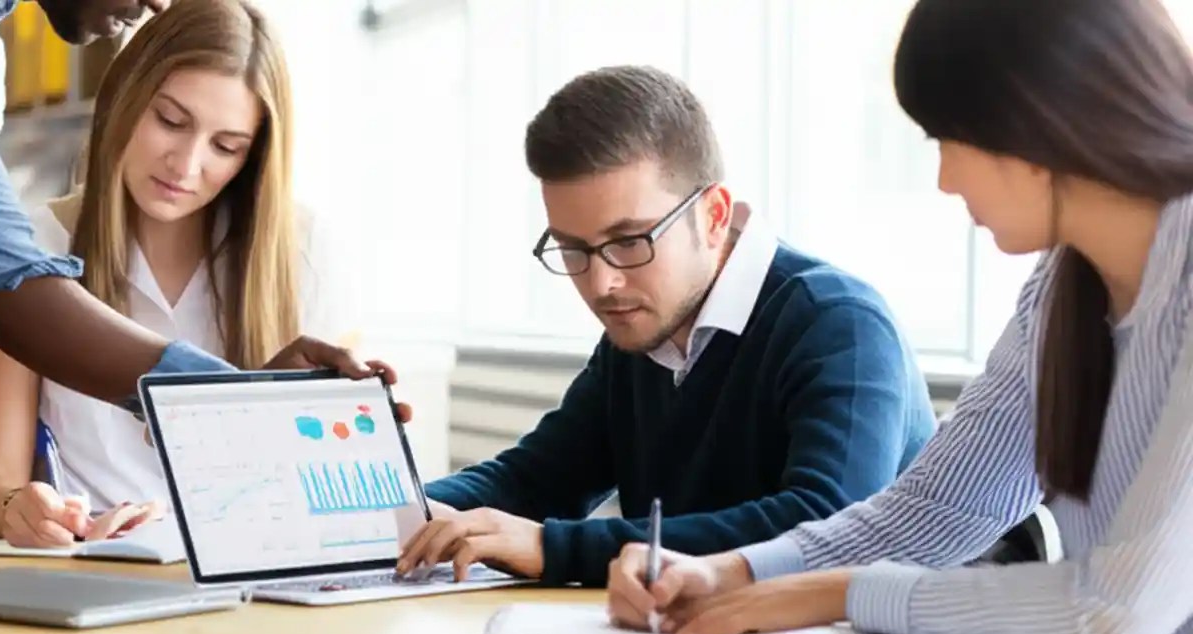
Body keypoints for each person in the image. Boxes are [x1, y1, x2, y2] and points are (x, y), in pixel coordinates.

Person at [606, 0, 1193, 634]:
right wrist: (731, 573)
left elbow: (1112, 611)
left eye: (946, 139)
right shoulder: (1063, 288)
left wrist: (836, 594)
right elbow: (940, 508)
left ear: (1033, 128)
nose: (944, 179)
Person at [396, 65, 936, 587]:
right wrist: (398, 514)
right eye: (572, 248)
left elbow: (825, 528)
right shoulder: (641, 330)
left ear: (714, 216)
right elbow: (534, 481)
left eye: (630, 241)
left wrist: (553, 548)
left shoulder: (838, 323)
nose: (602, 282)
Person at [0, 0, 356, 547]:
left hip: (241, 572)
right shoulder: (28, 250)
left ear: (253, 158)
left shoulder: (304, 250)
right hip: (87, 564)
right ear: (127, 97)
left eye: (226, 146)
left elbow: (315, 484)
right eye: (170, 120)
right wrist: (22, 508)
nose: (185, 165)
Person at [0, 0, 378, 411]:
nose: (159, 3)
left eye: (227, 145)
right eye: (171, 120)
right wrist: (244, 397)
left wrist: (246, 397)